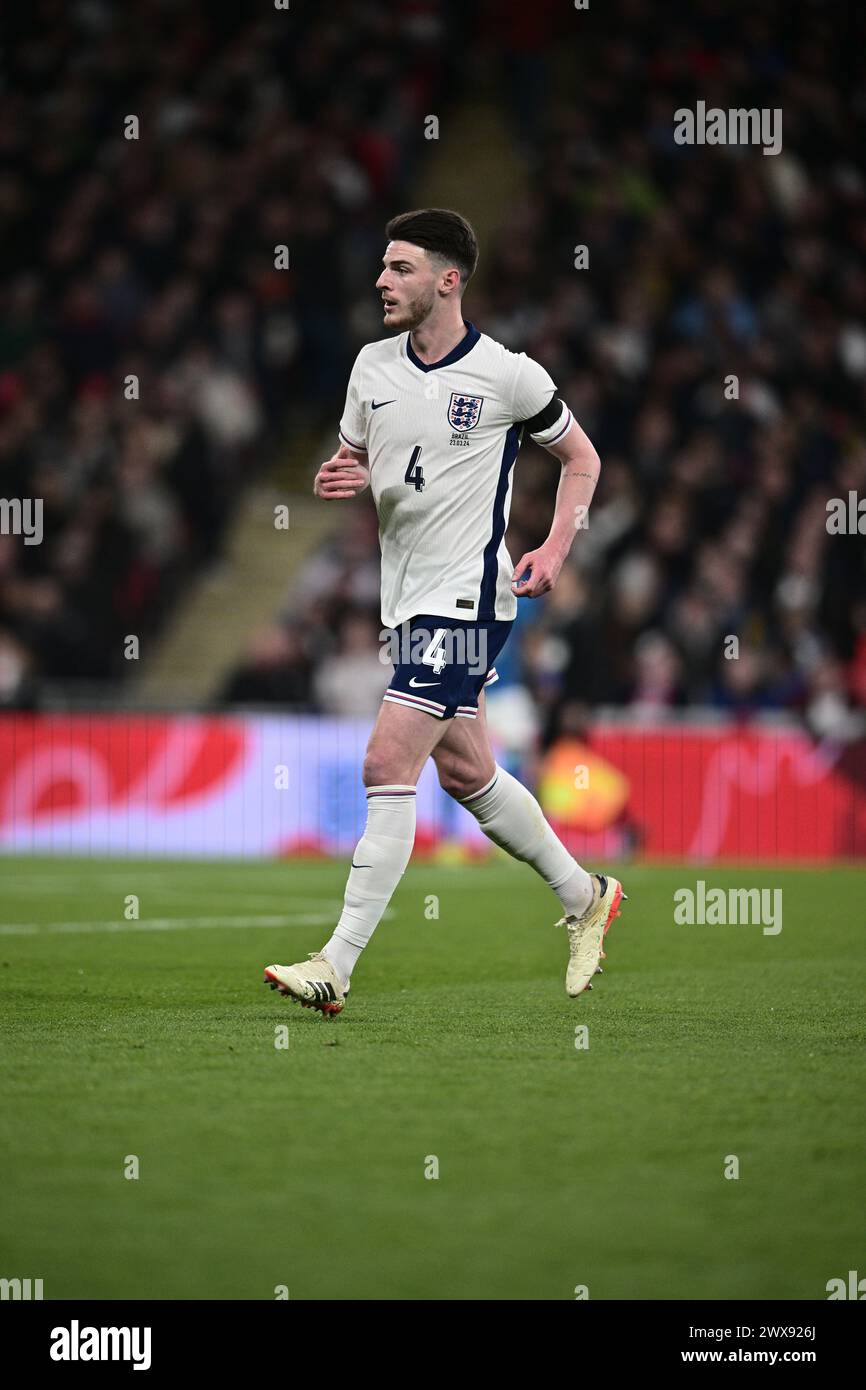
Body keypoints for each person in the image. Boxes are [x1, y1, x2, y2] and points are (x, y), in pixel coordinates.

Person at [264, 208, 625, 1015]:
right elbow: (359, 451)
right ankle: (584, 895)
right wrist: (346, 471)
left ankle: (337, 964)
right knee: (465, 771)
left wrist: (556, 547)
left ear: (447, 280)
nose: (383, 282)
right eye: (384, 268)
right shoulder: (370, 368)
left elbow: (582, 458)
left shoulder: (508, 375)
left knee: (387, 764)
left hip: (469, 595)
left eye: (400, 269)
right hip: (408, 600)